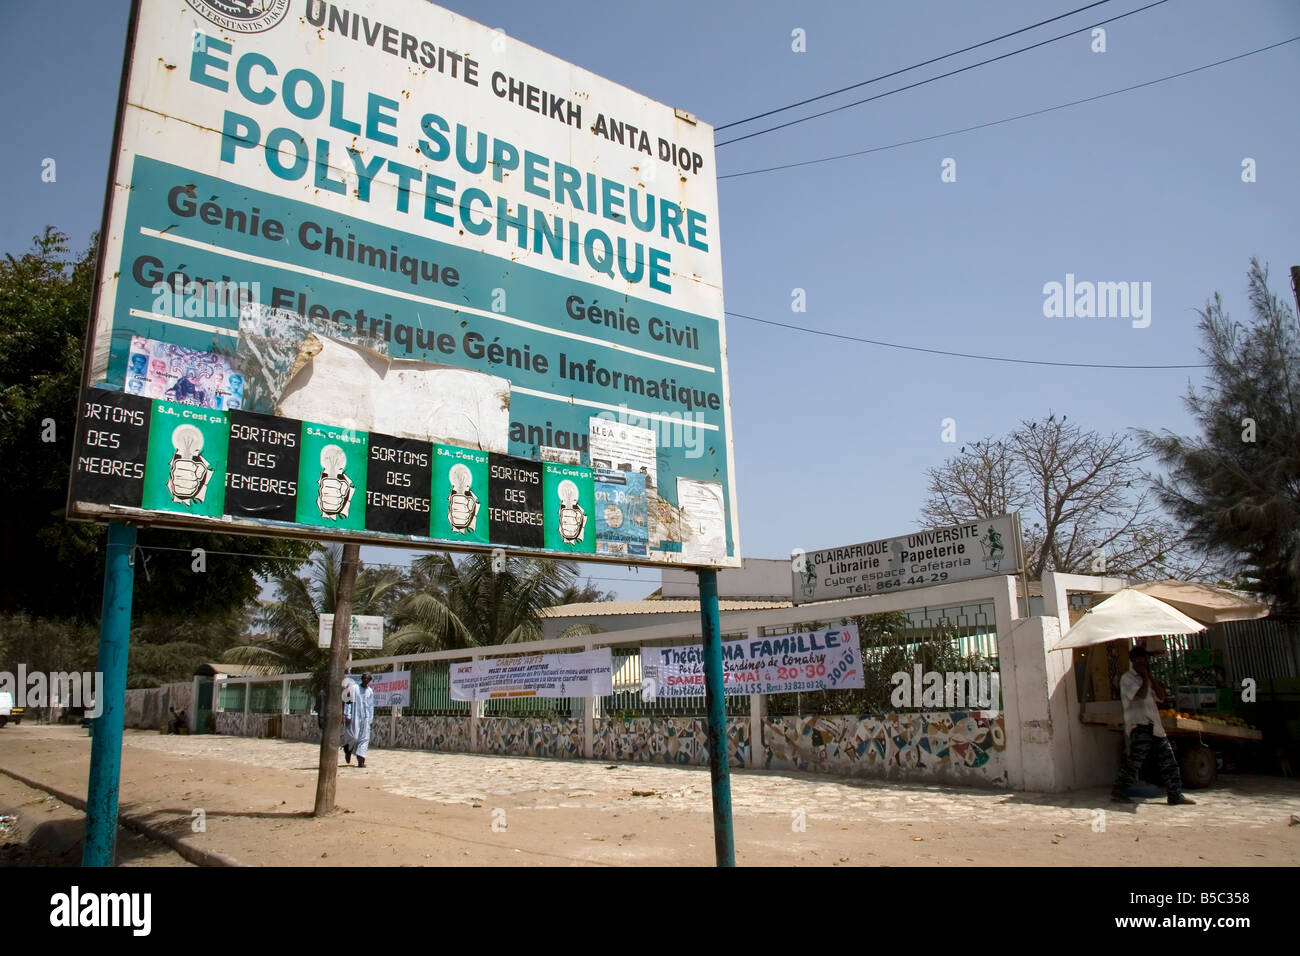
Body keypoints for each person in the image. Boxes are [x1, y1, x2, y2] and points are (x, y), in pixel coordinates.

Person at [1111, 645, 1195, 805]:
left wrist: (1149, 677)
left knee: (1168, 760)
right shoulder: (1127, 678)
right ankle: (1119, 790)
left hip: (1155, 725)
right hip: (1139, 724)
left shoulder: (1148, 678)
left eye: (1145, 659)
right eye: (1140, 659)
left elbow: (1162, 696)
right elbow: (1140, 695)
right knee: (1136, 760)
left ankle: (1175, 794)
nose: (1143, 662)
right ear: (1134, 661)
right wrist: (1143, 677)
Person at [342, 673, 375, 768]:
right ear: (362, 679)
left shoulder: (370, 691)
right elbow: (348, 701)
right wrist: (347, 714)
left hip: (365, 718)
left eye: (368, 679)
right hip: (354, 716)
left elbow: (371, 705)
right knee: (354, 737)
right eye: (364, 678)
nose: (366, 680)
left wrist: (370, 719)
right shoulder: (354, 688)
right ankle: (347, 749)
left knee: (364, 739)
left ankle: (361, 761)